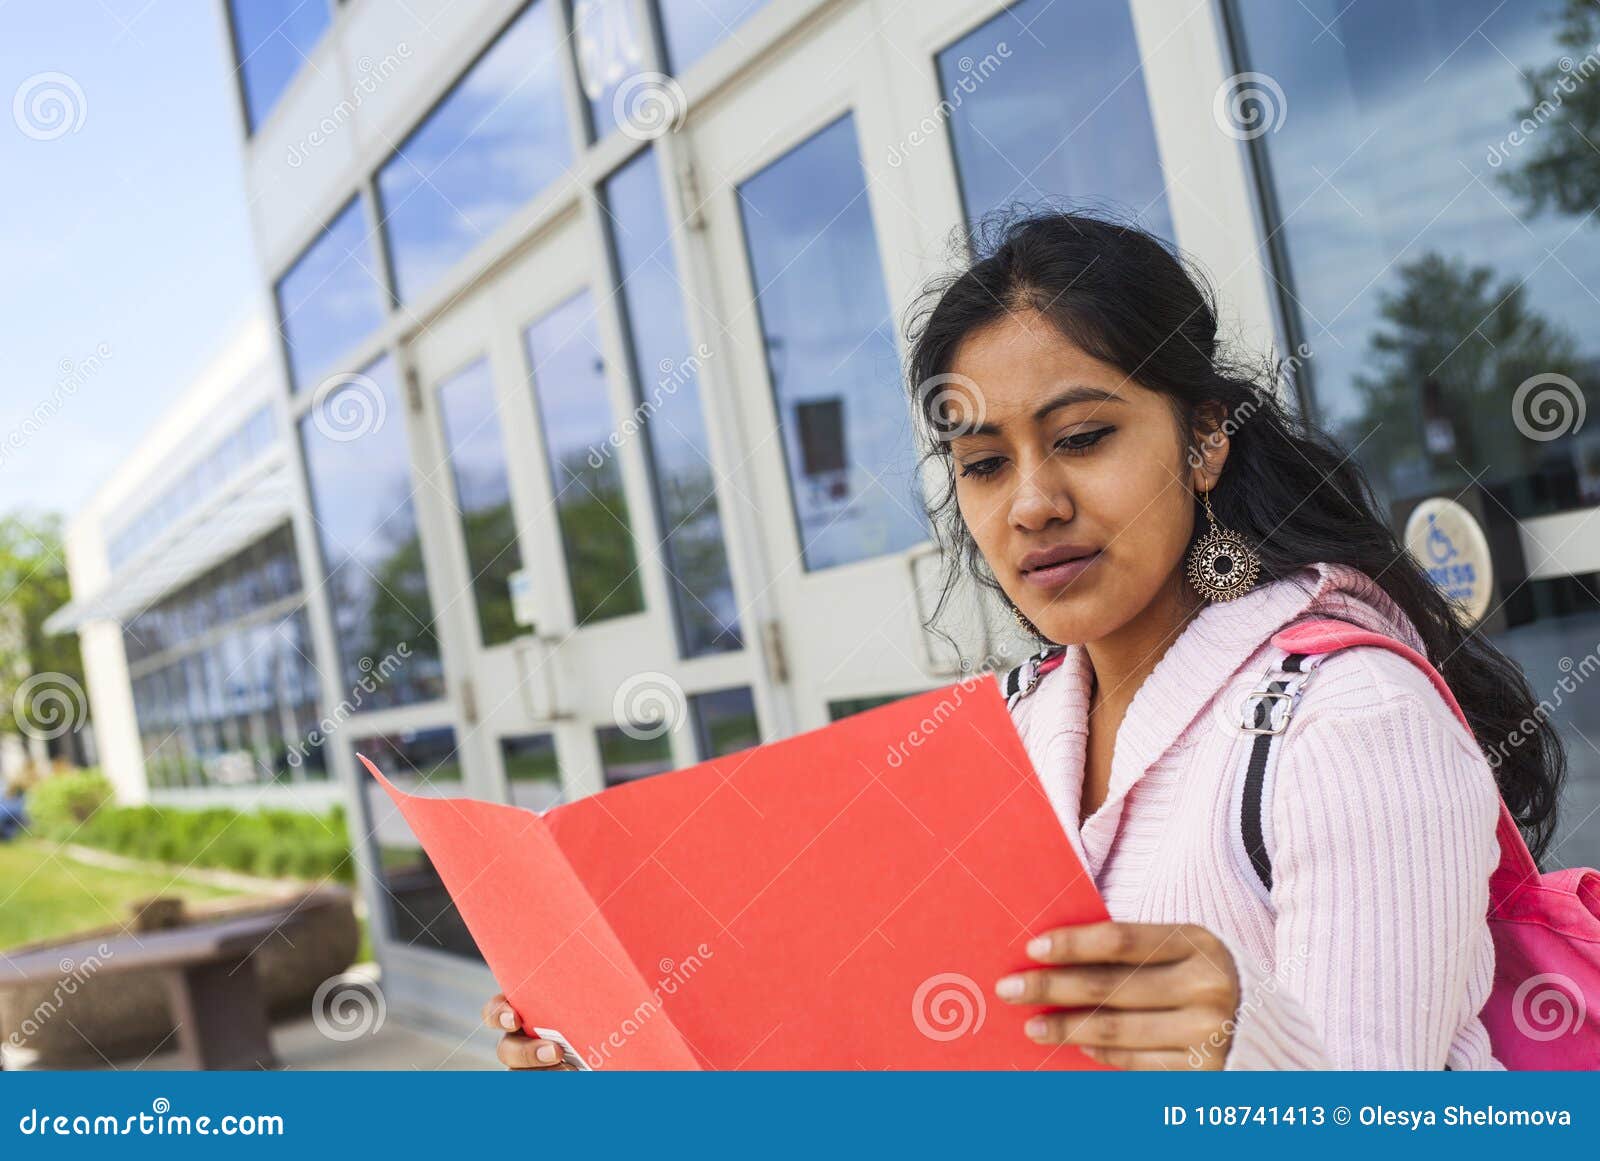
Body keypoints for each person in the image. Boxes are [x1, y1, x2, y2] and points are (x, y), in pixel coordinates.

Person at [484, 210, 1564, 1070]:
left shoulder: (1347, 721)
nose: (1032, 503)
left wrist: (1235, 1044)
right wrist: (617, 1055)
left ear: (1201, 442)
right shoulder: (1001, 733)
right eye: (984, 463)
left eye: (1083, 438)